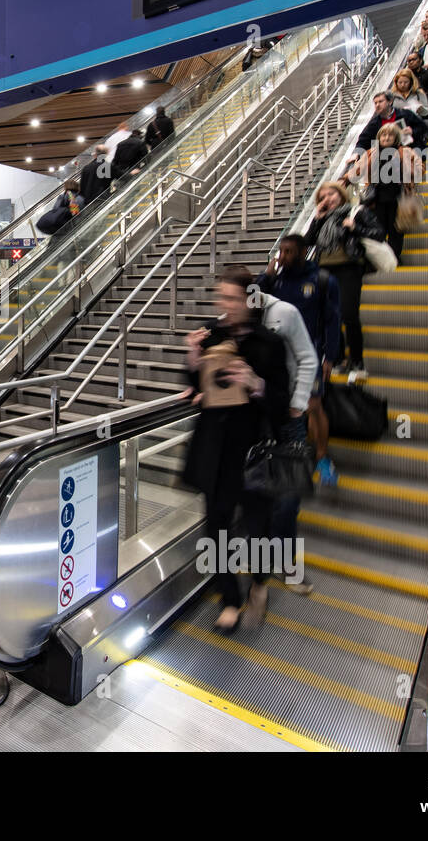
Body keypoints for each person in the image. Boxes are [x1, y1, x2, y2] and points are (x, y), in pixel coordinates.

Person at [181, 268, 290, 633]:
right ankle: (229, 598)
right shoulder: (212, 334)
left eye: (231, 298)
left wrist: (256, 384)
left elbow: (282, 400)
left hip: (254, 450)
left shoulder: (269, 343)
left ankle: (259, 579)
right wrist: (193, 359)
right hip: (216, 448)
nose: (223, 305)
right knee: (217, 526)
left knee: (258, 527)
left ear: (250, 300)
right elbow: (196, 385)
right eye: (221, 298)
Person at [246, 269, 319, 596]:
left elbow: (307, 358)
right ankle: (261, 557)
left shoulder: (285, 313)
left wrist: (299, 401)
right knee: (258, 492)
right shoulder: (241, 318)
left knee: (288, 494)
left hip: (288, 417)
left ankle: (287, 561)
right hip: (258, 417)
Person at [257, 233, 342, 488]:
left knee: (313, 405)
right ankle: (291, 454)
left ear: (303, 252)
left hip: (310, 355)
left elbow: (332, 321)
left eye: (289, 252)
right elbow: (252, 299)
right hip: (280, 357)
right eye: (280, 251)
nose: (283, 257)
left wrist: (330, 357)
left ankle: (322, 457)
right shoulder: (277, 280)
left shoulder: (322, 280)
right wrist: (267, 276)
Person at [305, 181, 387, 379]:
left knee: (349, 314)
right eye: (323, 197)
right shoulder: (322, 218)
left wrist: (355, 228)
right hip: (323, 270)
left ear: (341, 194)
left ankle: (358, 364)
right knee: (329, 316)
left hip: (349, 268)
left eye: (331, 194)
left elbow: (379, 233)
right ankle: (339, 359)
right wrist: (317, 219)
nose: (328, 199)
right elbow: (307, 242)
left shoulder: (355, 212)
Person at [349, 123, 422, 262]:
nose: (386, 137)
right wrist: (343, 180)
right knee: (378, 229)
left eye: (390, 135)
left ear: (396, 137)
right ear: (379, 136)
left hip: (398, 197)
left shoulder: (404, 151)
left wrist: (411, 170)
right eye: (384, 134)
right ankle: (383, 259)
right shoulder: (371, 152)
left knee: (396, 230)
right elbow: (355, 171)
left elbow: (420, 168)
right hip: (376, 198)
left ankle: (395, 257)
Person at [353, 90, 428, 156]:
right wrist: (357, 153)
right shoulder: (374, 123)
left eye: (380, 101)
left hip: (411, 150)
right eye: (375, 103)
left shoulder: (405, 114)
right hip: (389, 156)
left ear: (390, 101)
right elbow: (363, 140)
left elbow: (424, 128)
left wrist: (412, 131)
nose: (377, 105)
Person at [390, 68, 428, 141]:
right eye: (400, 82)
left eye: (406, 82)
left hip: (415, 124)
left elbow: (427, 111)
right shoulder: (392, 96)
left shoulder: (419, 94)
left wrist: (421, 109)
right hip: (398, 126)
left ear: (411, 82)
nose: (403, 85)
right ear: (396, 83)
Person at [405, 50, 428, 128]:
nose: (411, 62)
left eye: (414, 59)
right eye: (409, 61)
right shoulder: (406, 77)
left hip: (427, 103)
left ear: (420, 61)